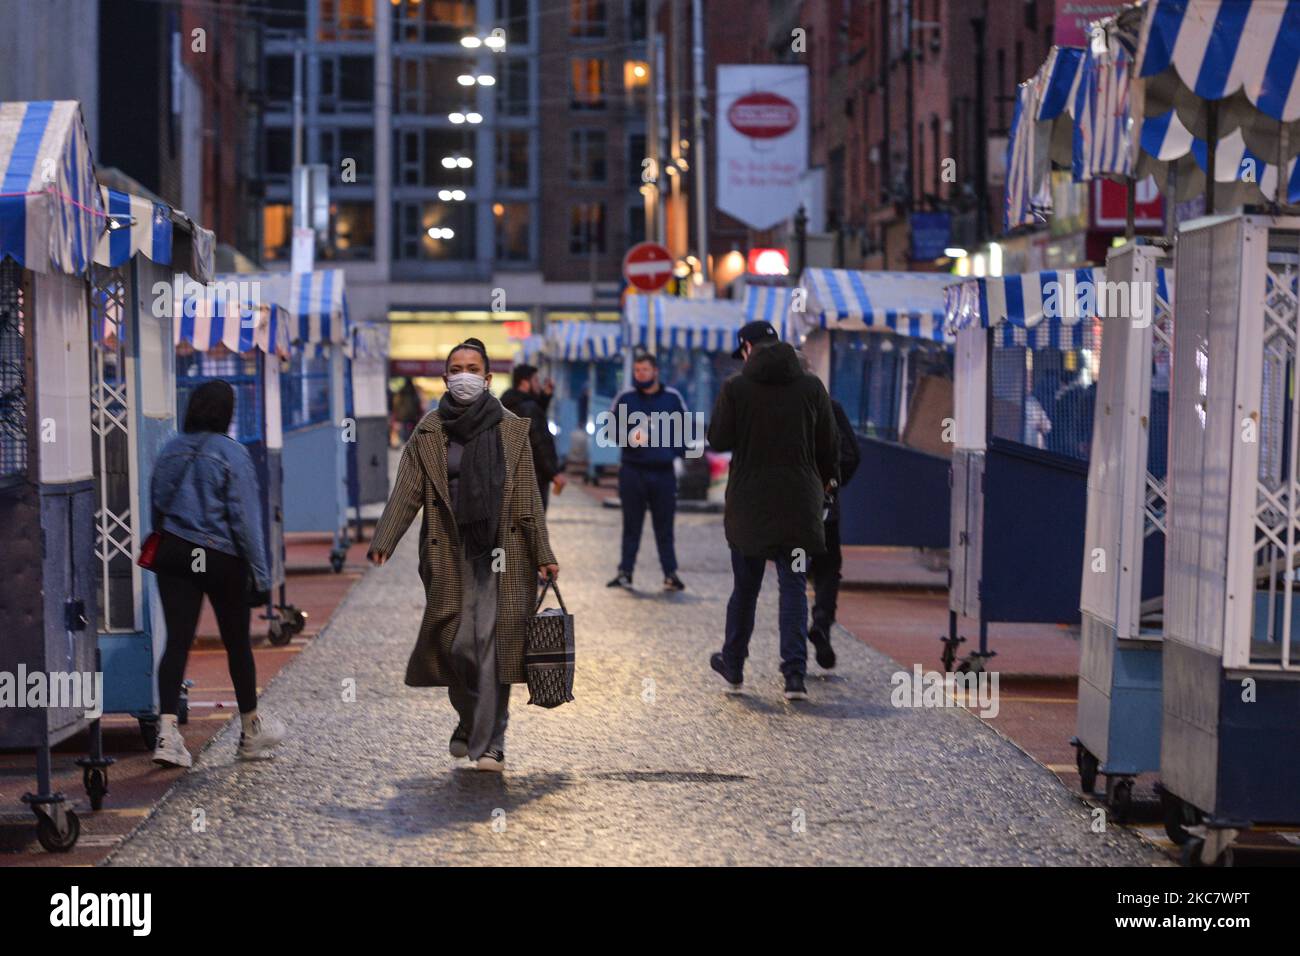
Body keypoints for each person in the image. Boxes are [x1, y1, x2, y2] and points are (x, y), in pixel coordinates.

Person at [367, 338, 559, 772]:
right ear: (446, 378)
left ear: (488, 378)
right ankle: (470, 719)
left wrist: (543, 553)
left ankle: (492, 741)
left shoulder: (512, 429)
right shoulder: (430, 430)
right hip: (448, 552)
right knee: (456, 644)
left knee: (495, 648)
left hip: (503, 554)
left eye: (473, 367)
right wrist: (385, 540)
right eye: (457, 368)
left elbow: (528, 499)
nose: (465, 374)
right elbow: (408, 490)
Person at [147, 380, 285, 767]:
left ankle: (168, 734)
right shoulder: (232, 454)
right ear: (228, 412)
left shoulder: (169, 450)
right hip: (219, 556)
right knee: (236, 642)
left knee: (177, 641)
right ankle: (250, 730)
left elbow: (157, 505)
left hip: (175, 551)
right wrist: (261, 575)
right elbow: (244, 520)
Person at [707, 322, 839, 701]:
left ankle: (733, 666)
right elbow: (828, 446)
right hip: (798, 509)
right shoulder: (812, 387)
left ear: (746, 347)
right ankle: (794, 676)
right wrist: (828, 484)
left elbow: (718, 439)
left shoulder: (736, 388)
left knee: (745, 589)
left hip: (750, 509)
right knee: (794, 588)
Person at [606, 351, 689, 592]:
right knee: (631, 524)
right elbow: (610, 431)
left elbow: (685, 430)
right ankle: (625, 572)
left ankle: (670, 574)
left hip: (663, 473)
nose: (640, 375)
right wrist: (630, 438)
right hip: (633, 472)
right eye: (636, 371)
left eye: (644, 370)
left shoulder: (672, 398)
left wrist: (675, 452)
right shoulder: (626, 398)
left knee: (665, 526)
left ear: (655, 372)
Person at [807, 388, 861, 670]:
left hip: (788, 508)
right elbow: (853, 454)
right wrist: (832, 485)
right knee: (828, 569)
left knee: (791, 575)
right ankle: (821, 622)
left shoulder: (777, 401)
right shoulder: (830, 406)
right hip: (826, 507)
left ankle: (791, 655)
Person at [501, 363, 565, 510]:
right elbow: (539, 443)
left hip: (512, 475)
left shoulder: (508, 404)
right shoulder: (529, 408)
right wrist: (554, 473)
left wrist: (545, 398)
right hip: (533, 477)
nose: (539, 385)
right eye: (536, 380)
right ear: (525, 382)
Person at [393, 377, 423, 443]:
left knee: (404, 429)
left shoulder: (401, 392)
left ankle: (405, 441)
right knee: (413, 430)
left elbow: (396, 404)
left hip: (403, 416)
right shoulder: (414, 392)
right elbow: (418, 403)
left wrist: (397, 414)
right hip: (413, 415)